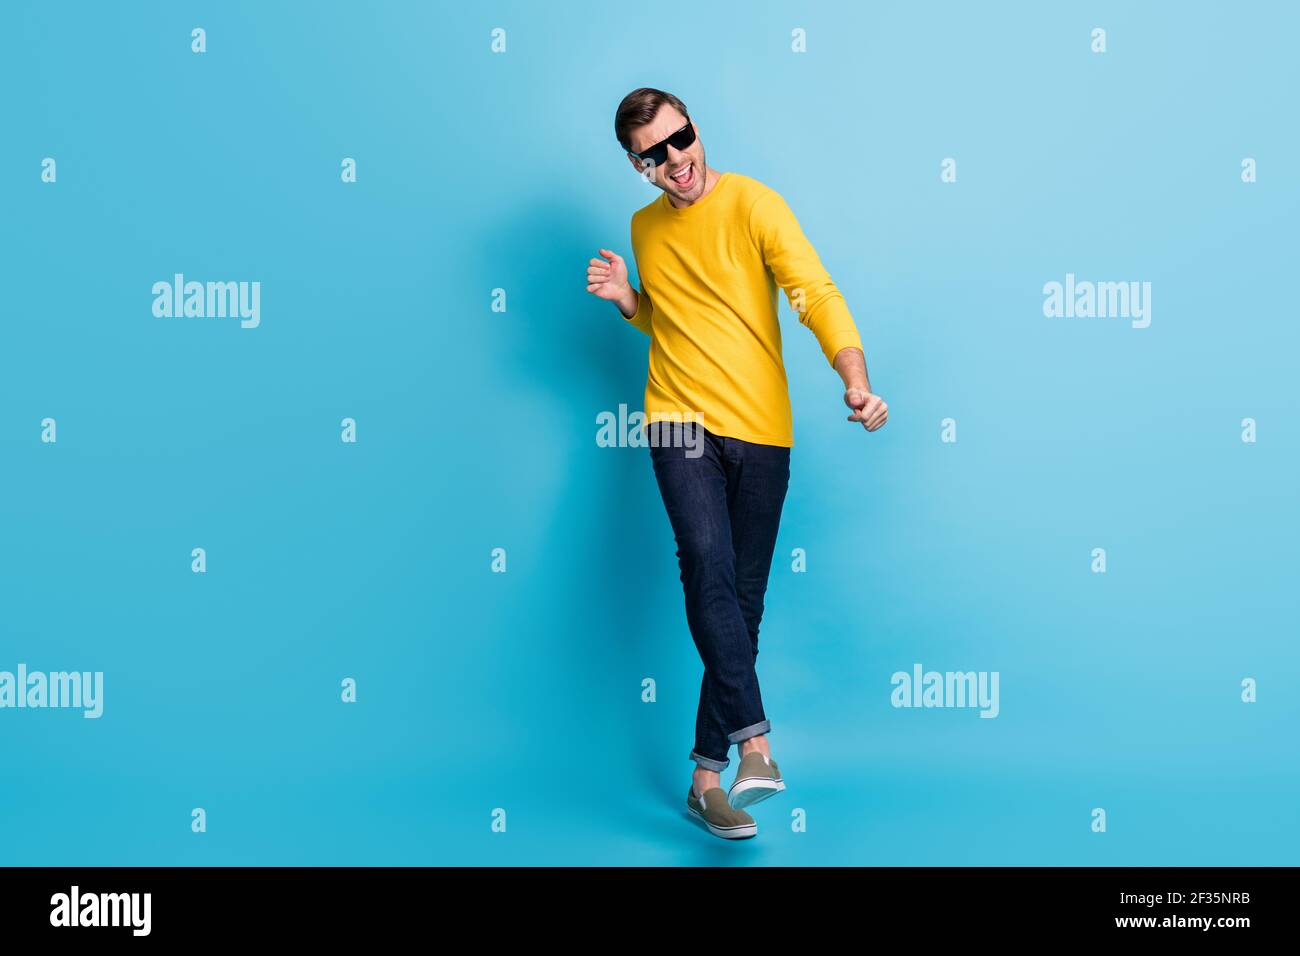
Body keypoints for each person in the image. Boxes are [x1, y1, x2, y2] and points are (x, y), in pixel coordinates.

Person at [586, 88, 888, 840]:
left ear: (695, 130)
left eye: (677, 139)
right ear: (636, 166)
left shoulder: (755, 204)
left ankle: (704, 779)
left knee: (741, 605)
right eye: (651, 156)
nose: (673, 161)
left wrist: (854, 378)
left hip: (762, 432)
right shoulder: (644, 228)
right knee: (706, 565)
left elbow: (814, 293)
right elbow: (674, 317)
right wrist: (631, 301)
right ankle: (757, 743)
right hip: (678, 421)